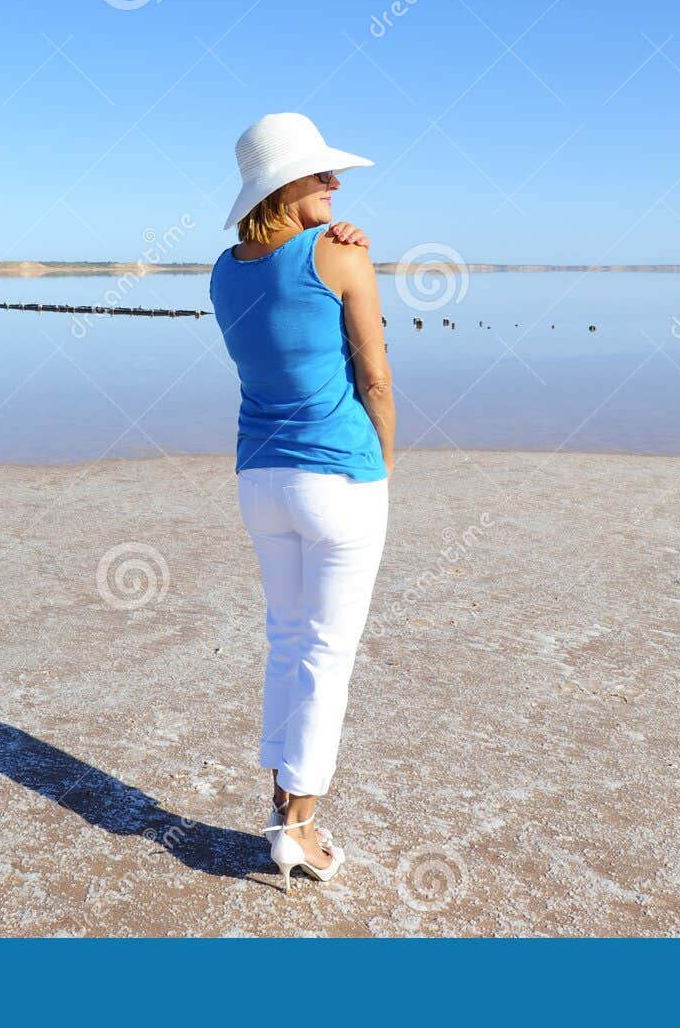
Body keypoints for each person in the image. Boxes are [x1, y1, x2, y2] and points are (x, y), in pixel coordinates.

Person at [207, 112, 395, 890]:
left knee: (288, 642)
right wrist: (384, 464)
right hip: (338, 478)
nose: (337, 183)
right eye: (322, 174)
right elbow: (374, 375)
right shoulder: (342, 254)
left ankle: (282, 808)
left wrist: (321, 235)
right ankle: (300, 828)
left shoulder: (222, 271)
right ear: (286, 184)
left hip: (260, 478)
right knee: (327, 652)